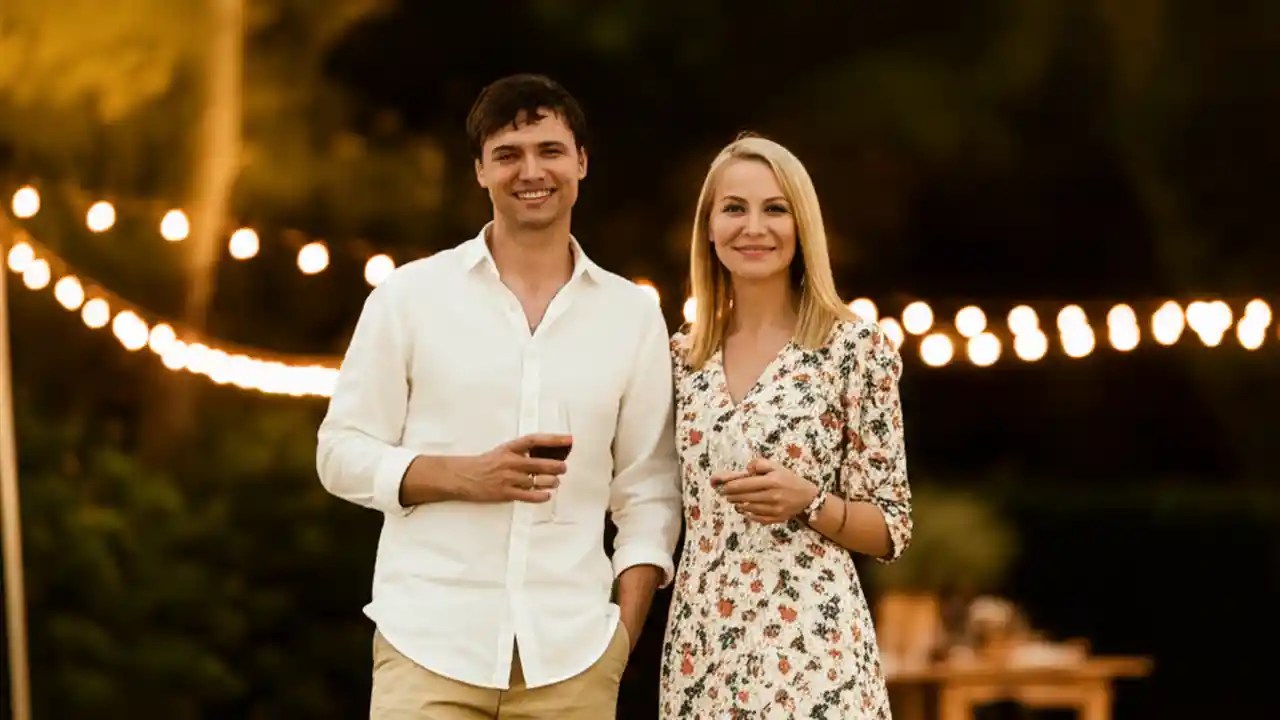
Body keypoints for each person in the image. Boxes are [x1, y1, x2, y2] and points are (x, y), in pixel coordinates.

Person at [316, 73, 682, 720]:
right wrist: (460, 475)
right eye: (508, 154)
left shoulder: (632, 315)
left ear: (582, 163)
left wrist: (619, 641)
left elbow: (648, 492)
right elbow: (339, 453)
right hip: (427, 648)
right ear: (480, 172)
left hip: (574, 658)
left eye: (549, 150)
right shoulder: (409, 298)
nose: (530, 170)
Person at [659, 134, 914, 719]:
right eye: (734, 208)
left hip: (814, 654)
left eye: (775, 209)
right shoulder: (680, 360)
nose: (754, 227)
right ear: (708, 228)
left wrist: (809, 501)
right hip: (704, 649)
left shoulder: (853, 348)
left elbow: (893, 527)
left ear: (802, 227)